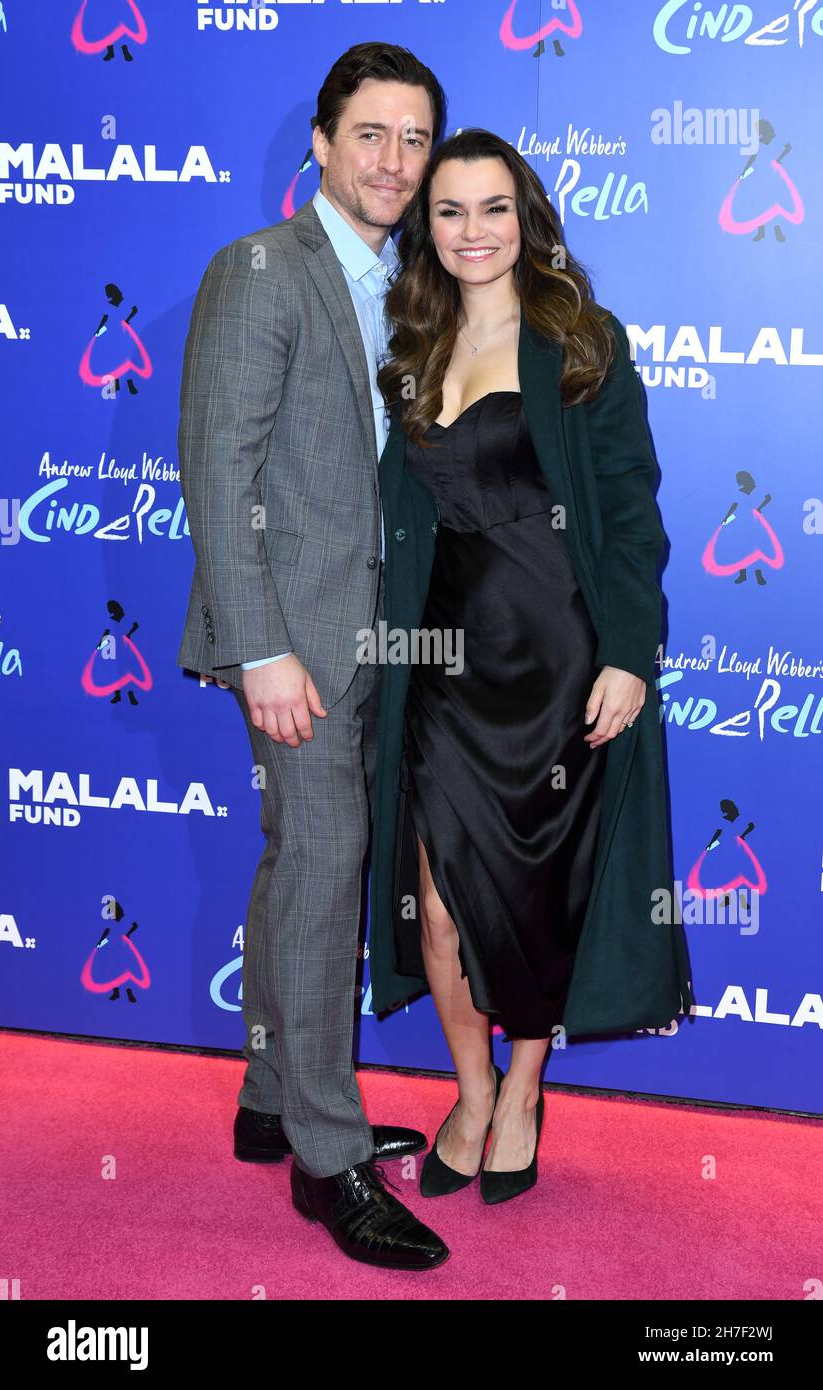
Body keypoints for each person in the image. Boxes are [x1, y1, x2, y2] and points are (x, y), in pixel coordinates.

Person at [370, 128, 694, 1206]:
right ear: (428, 226)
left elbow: (633, 517)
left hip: (559, 666)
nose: (472, 231)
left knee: (538, 902)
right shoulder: (413, 345)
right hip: (445, 671)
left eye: (493, 208)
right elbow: (401, 519)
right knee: (444, 906)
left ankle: (521, 1091)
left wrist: (627, 655)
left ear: (527, 216)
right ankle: (468, 1089)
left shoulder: (580, 341)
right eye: (450, 211)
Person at [176, 43, 452, 1271]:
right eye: (373, 134)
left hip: (374, 639)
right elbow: (218, 473)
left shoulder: (399, 282)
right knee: (328, 864)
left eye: (415, 139)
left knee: (303, 856)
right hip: (295, 642)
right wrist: (263, 649)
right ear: (322, 143)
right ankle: (326, 1158)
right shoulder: (262, 270)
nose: (395, 161)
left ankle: (269, 1095)